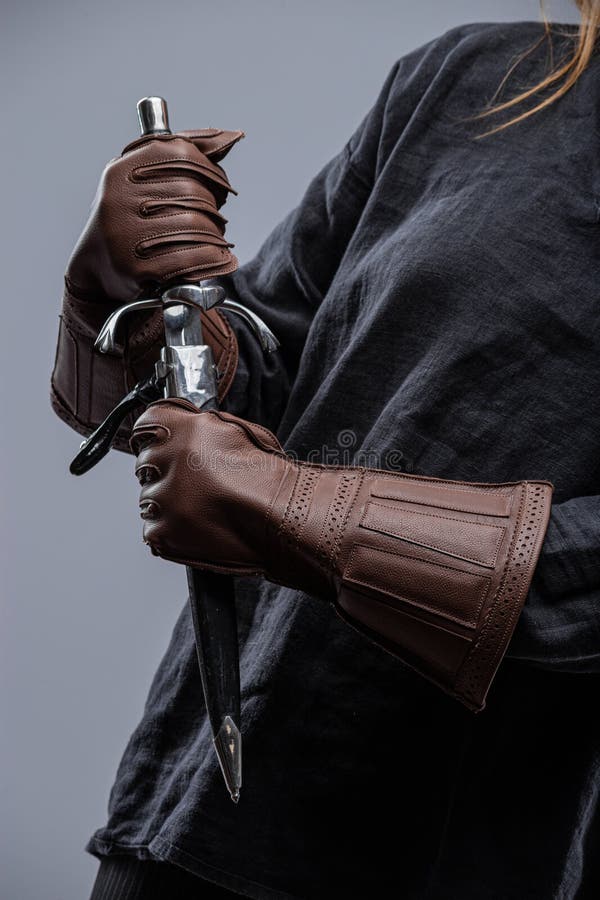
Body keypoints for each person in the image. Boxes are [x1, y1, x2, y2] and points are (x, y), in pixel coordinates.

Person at [50, 8, 600, 900]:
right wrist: (134, 290)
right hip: (194, 811)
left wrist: (303, 514)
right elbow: (259, 372)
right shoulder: (473, 77)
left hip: (458, 853)